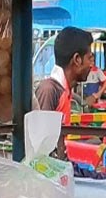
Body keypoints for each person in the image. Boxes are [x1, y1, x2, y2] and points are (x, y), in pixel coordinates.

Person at [33, 26, 93, 159]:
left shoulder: (64, 91)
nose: (91, 65)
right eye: (89, 58)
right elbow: (41, 149)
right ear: (77, 59)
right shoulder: (49, 90)